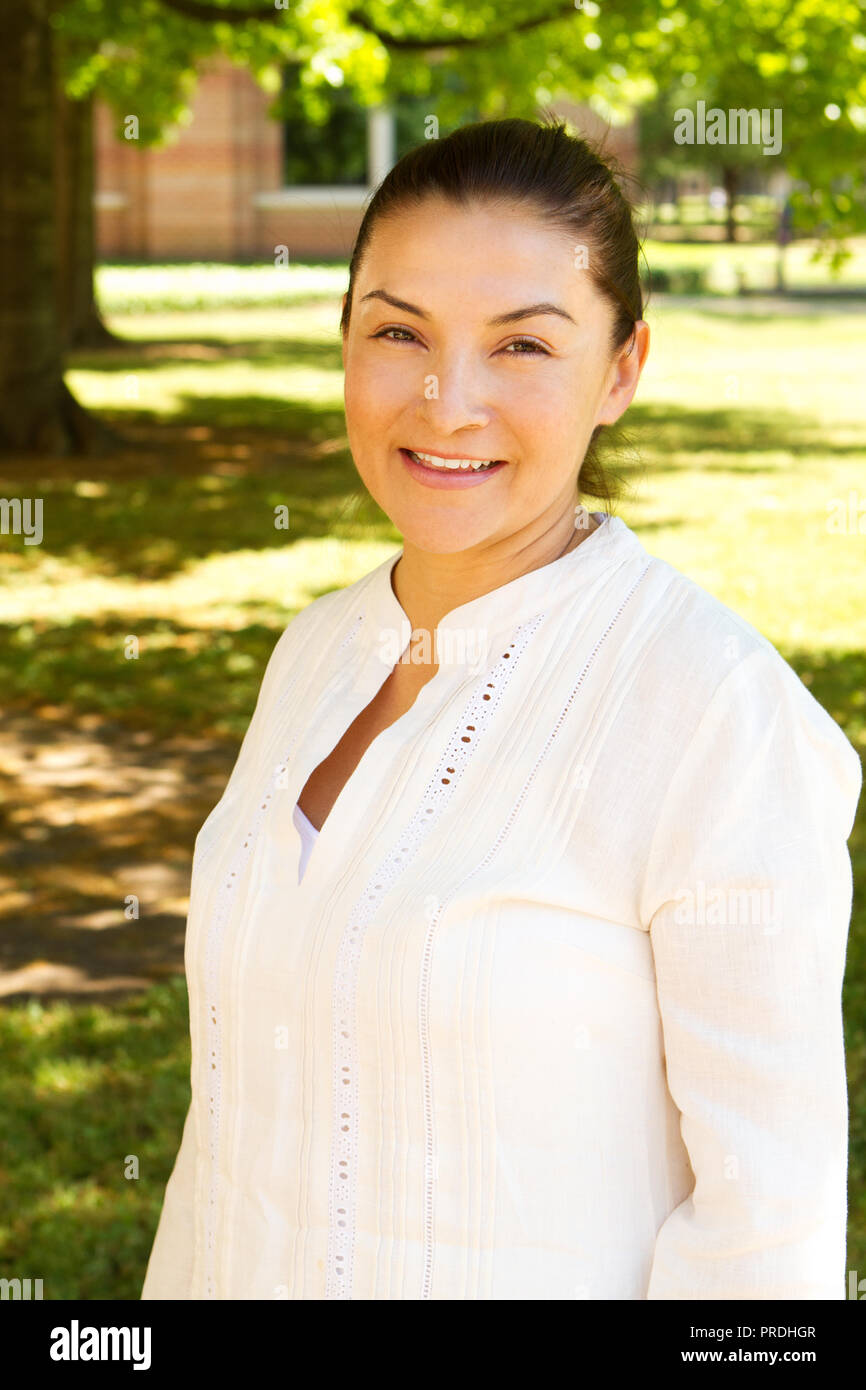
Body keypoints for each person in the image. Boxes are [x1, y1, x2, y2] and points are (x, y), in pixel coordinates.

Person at [141, 118, 861, 1301]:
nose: (446, 400)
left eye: (522, 343)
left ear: (620, 370)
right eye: (396, 332)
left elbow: (763, 1238)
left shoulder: (715, 713)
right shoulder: (315, 652)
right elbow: (231, 1132)